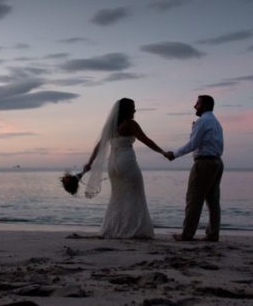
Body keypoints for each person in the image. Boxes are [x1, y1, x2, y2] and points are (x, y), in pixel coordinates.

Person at [81, 98, 170, 239]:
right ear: (126, 109)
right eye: (132, 107)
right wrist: (163, 152)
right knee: (135, 196)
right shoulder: (130, 124)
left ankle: (114, 229)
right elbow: (146, 140)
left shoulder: (110, 127)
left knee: (118, 197)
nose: (135, 110)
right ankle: (135, 230)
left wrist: (90, 163)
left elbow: (99, 146)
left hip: (113, 166)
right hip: (127, 163)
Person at [164, 95, 224, 242]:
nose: (194, 106)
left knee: (194, 198)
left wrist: (175, 154)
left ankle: (187, 234)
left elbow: (193, 144)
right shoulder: (215, 122)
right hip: (217, 162)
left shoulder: (203, 121)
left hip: (204, 163)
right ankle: (213, 233)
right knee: (213, 200)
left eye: (197, 103)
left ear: (204, 105)